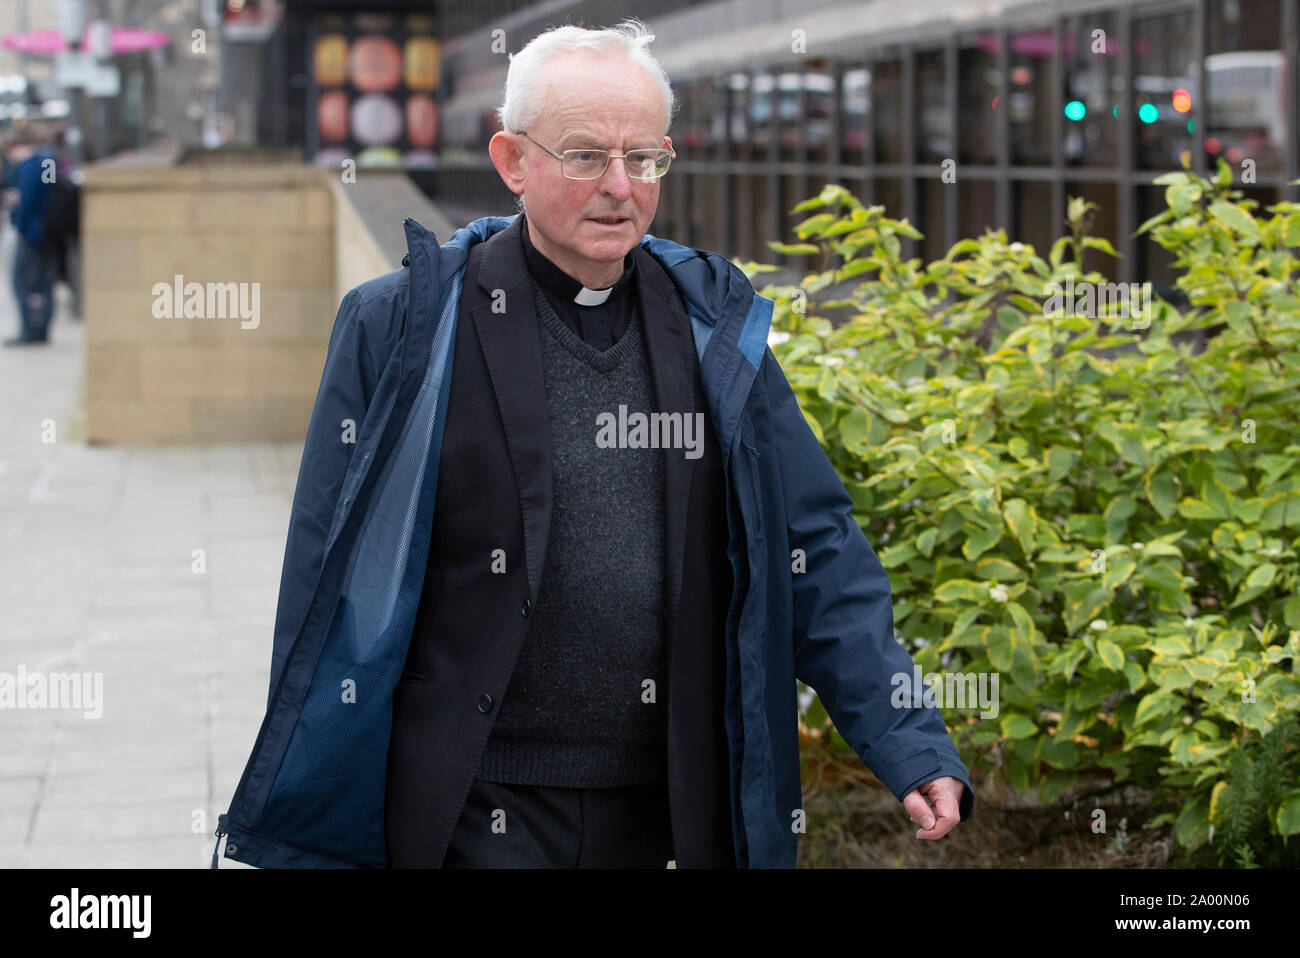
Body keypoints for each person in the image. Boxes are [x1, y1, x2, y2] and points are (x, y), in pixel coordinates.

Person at [216, 19, 973, 869]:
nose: (621, 186)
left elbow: (818, 549)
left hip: (676, 810)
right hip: (474, 809)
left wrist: (909, 741)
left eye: (644, 158)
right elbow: (324, 584)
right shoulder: (402, 329)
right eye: (586, 157)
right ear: (512, 162)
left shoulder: (712, 331)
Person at [4, 127, 59, 346]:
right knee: (45, 282)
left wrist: (19, 224)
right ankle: (42, 326)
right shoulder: (49, 162)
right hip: (50, 231)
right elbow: (51, 192)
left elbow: (26, 204)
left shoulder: (28, 167)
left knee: (23, 281)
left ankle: (30, 328)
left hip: (31, 232)